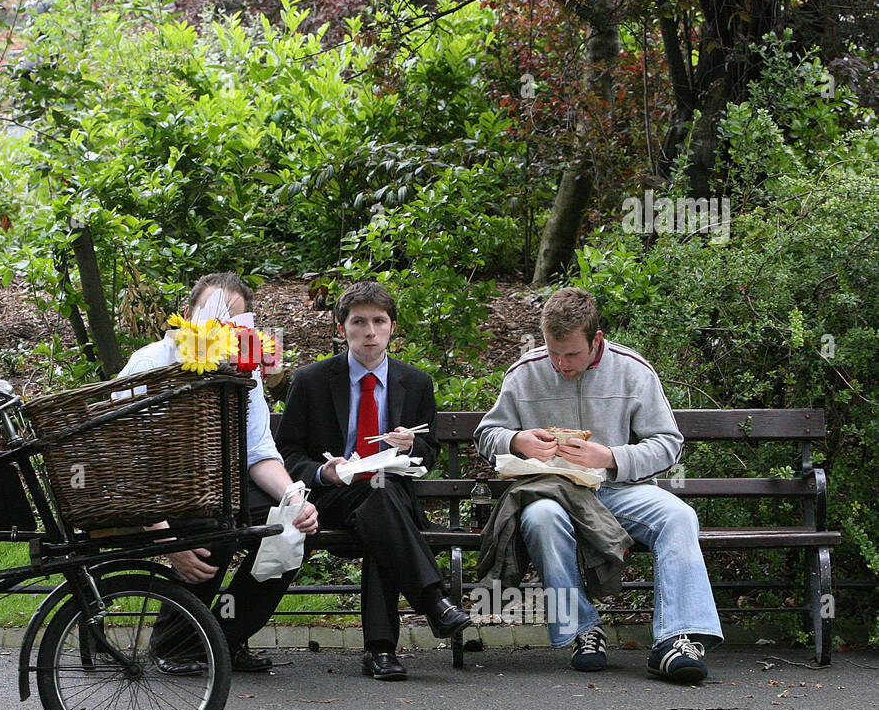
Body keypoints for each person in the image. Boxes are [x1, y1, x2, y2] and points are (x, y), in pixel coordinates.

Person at [473, 287, 723, 683]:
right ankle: (584, 630)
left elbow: (668, 445)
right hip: (552, 490)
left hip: (621, 489)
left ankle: (675, 640)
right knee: (539, 518)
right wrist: (517, 440)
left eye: (571, 354)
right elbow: (486, 434)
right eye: (553, 352)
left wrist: (610, 457)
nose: (560, 364)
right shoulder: (525, 372)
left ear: (597, 340)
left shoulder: (633, 370)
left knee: (678, 515)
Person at [118, 272, 319, 673]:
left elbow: (259, 452)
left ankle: (223, 638)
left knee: (293, 523)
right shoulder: (150, 364)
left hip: (218, 486)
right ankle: (174, 644)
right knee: (216, 523)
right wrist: (165, 538)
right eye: (210, 314)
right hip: (154, 492)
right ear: (187, 314)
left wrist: (294, 497)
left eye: (231, 321)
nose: (219, 328)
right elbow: (128, 464)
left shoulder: (246, 371)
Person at [276, 282, 472, 681]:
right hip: (331, 497)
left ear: (392, 328)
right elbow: (288, 454)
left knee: (380, 502)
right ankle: (431, 604)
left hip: (388, 494)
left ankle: (382, 651)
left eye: (378, 321)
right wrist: (323, 471)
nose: (369, 331)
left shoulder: (415, 383)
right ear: (340, 327)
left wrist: (412, 443)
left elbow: (429, 452)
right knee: (379, 505)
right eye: (358, 322)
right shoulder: (312, 380)